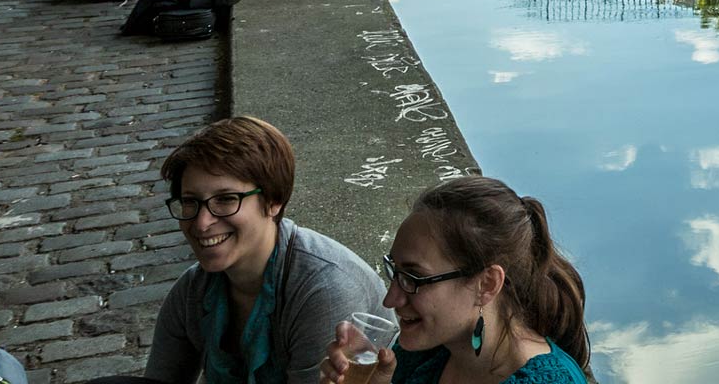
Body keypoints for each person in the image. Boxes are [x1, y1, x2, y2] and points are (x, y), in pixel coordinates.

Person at [144, 117, 384, 384]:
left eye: (226, 199)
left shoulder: (323, 291)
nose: (202, 223)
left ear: (273, 201)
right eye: (190, 202)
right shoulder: (193, 291)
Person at [321, 177, 590, 384]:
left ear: (487, 285)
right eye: (395, 272)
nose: (391, 299)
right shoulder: (423, 355)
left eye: (415, 278)